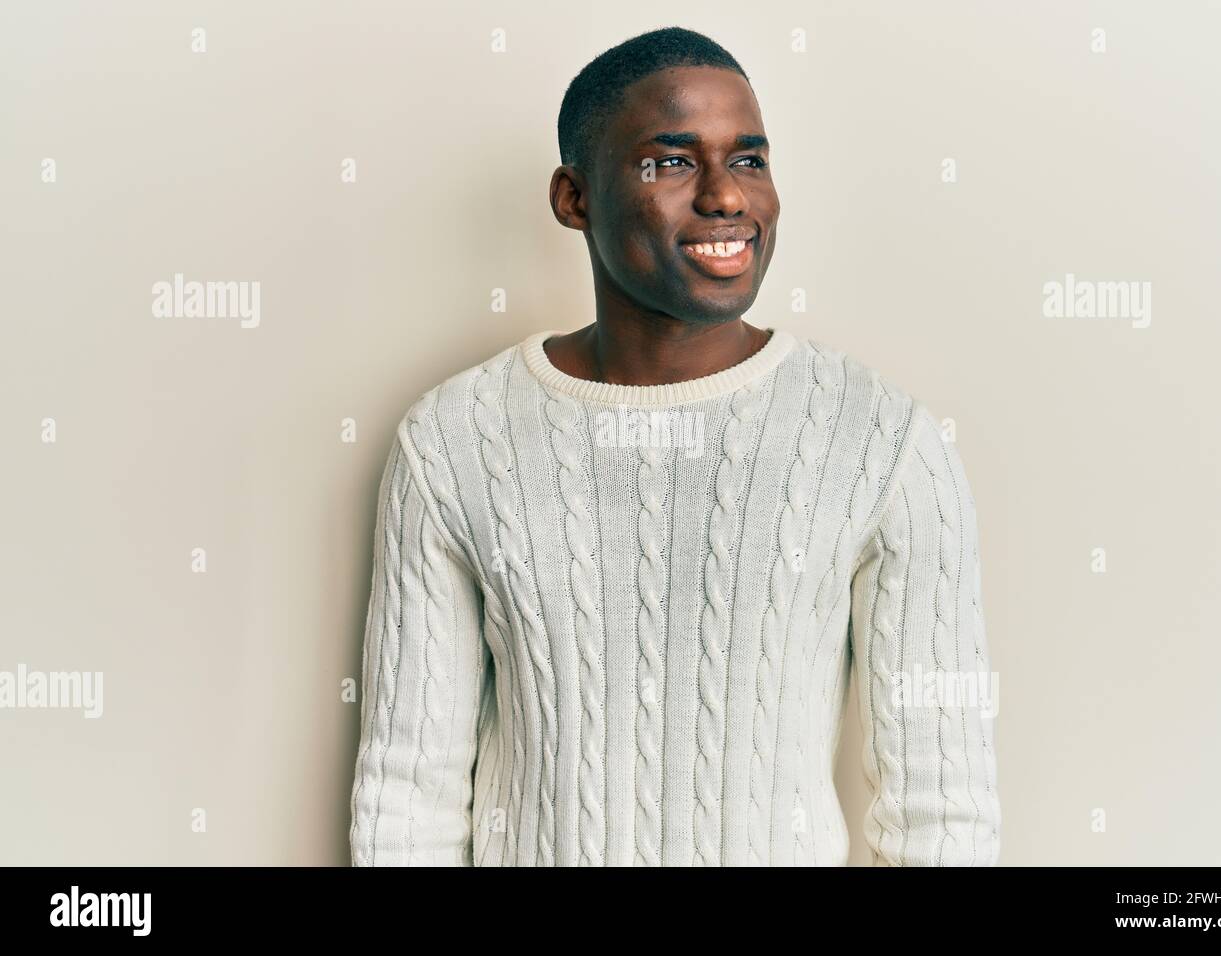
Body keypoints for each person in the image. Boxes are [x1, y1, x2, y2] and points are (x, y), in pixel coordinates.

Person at [348, 25, 1000, 867]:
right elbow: (408, 796)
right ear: (574, 198)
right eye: (674, 162)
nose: (727, 197)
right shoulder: (452, 441)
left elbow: (940, 810)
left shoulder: (883, 441)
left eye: (751, 160)